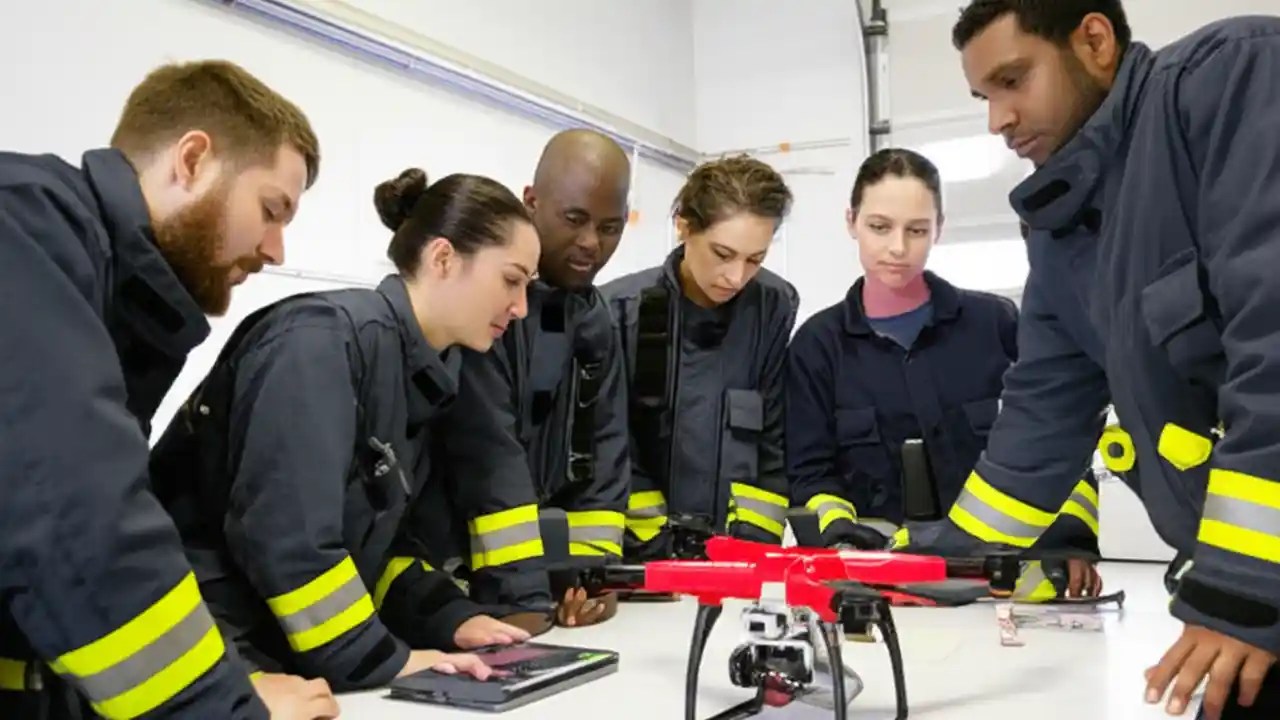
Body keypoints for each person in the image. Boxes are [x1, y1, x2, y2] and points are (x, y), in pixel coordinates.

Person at [897, 1, 1280, 717]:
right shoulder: (1061, 226)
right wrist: (934, 563)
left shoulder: (1228, 79)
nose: (999, 120)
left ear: (1095, 40)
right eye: (984, 98)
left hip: (1255, 588)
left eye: (1014, 80)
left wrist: (1246, 582)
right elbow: (1042, 414)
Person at [0, 59, 338, 719]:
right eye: (272, 210)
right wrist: (224, 708)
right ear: (192, 160)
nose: (277, 250)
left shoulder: (106, 286)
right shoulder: (22, 222)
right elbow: (78, 521)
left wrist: (233, 682)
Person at [147, 169, 538, 692]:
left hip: (276, 649)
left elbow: (376, 550)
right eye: (511, 280)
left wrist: (451, 619)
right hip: (205, 650)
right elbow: (289, 543)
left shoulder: (420, 370)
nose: (521, 307)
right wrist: (385, 662)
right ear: (443, 258)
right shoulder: (318, 342)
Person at [786, 148, 1101, 601]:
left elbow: (1060, 437)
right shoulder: (817, 347)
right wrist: (841, 540)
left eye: (916, 230)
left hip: (1010, 585)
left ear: (939, 228)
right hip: (879, 589)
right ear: (851, 221)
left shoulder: (997, 325)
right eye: (879, 227)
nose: (898, 247)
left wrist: (1071, 541)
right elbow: (811, 476)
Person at [417, 129, 633, 631]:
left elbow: (603, 459)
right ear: (531, 202)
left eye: (610, 227)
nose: (591, 243)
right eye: (574, 219)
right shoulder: (486, 310)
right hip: (457, 585)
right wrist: (521, 599)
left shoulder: (594, 317)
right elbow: (488, 457)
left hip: (527, 591)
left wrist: (590, 581)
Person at [602, 155, 797, 561]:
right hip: (641, 559)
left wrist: (752, 551)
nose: (736, 277)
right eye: (723, 253)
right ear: (684, 227)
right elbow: (614, 447)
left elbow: (772, 442)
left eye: (755, 259)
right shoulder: (621, 311)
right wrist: (655, 551)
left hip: (738, 561)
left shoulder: (773, 306)